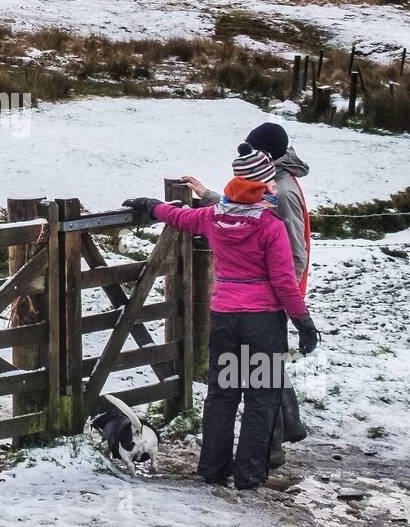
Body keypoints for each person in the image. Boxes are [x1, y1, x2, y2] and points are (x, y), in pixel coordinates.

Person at [125, 143, 319, 492]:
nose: (275, 187)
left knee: (223, 393)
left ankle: (212, 468)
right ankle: (248, 474)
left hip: (226, 319)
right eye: (270, 183)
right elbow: (284, 281)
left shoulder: (216, 216)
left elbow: (179, 217)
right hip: (262, 324)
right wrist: (303, 322)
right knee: (261, 396)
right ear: (259, 186)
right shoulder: (269, 226)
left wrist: (152, 206)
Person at [181, 121, 310, 464]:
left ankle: (270, 450)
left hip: (270, 299)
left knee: (257, 379)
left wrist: (286, 302)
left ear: (265, 154)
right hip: (264, 300)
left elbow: (296, 251)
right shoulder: (273, 183)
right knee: (264, 369)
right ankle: (287, 429)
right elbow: (243, 203)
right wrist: (209, 196)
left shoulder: (282, 192)